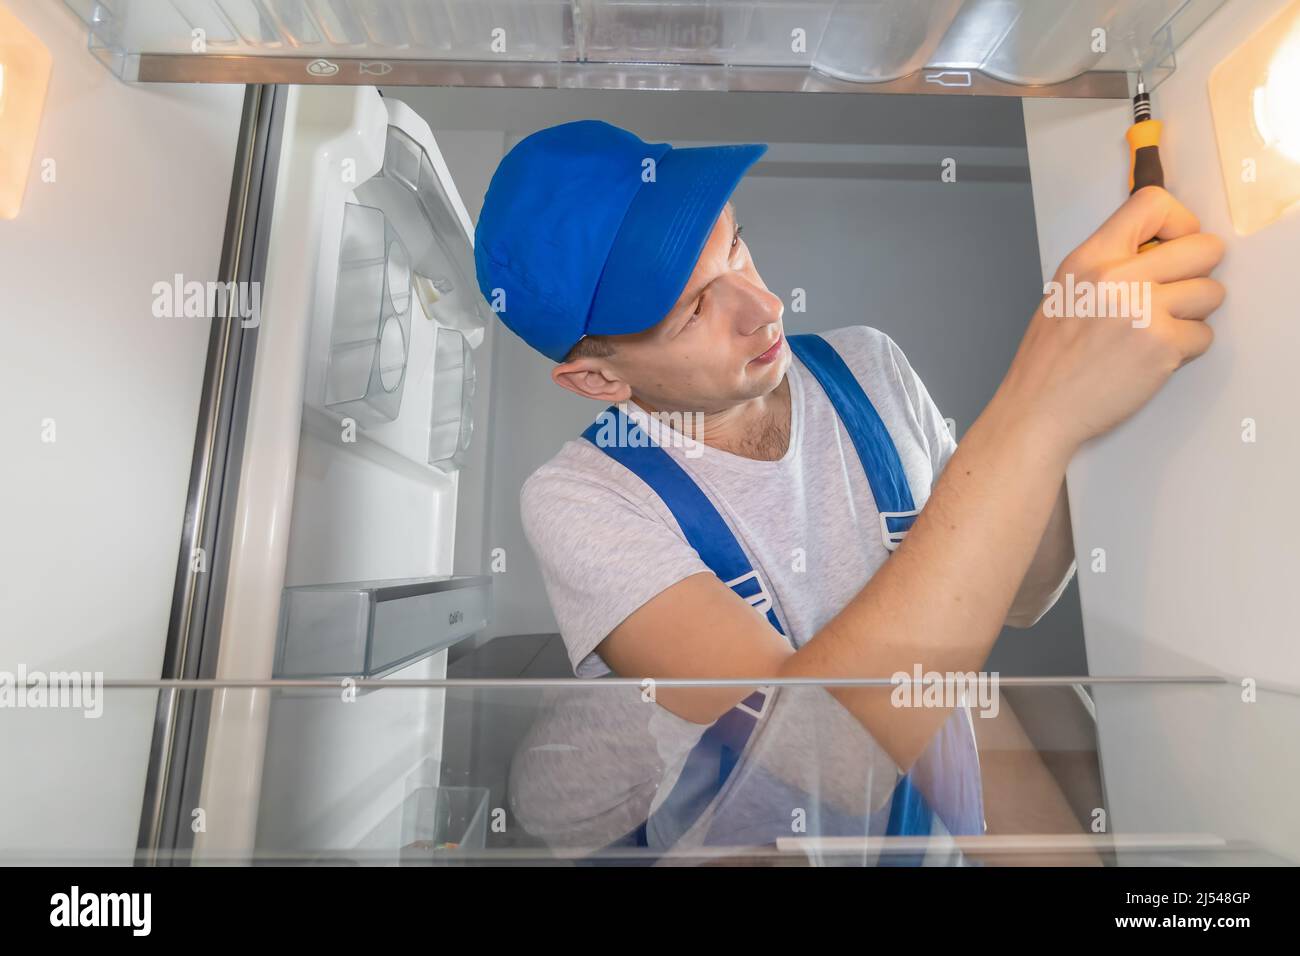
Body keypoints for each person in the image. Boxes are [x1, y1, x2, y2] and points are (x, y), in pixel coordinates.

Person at [473, 119, 1225, 854]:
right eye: (694, 308)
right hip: (735, 834)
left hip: (920, 799)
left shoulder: (866, 365)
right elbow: (825, 754)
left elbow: (1022, 594)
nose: (764, 307)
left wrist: (1083, 413)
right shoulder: (584, 497)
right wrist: (1042, 403)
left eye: (736, 244)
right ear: (598, 379)